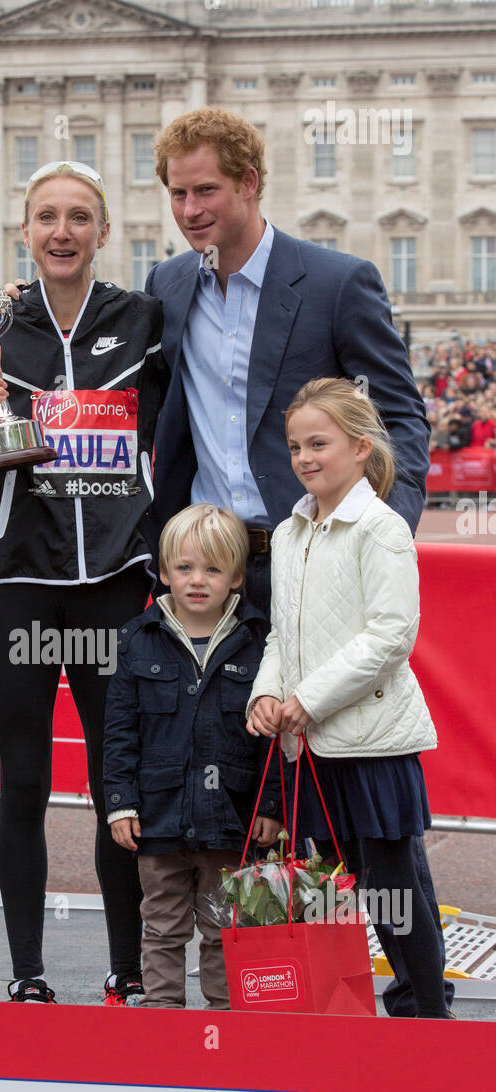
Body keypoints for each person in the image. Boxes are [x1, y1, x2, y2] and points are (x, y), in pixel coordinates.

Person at [145, 106, 450, 1018]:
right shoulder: (168, 286)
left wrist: (371, 530)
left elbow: (401, 416)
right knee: (259, 804)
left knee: (362, 805)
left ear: (249, 184)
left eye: (205, 190)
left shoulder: (334, 280)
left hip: (319, 557)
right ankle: (292, 1007)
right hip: (221, 570)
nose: (191, 208)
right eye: (176, 193)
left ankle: (420, 1004)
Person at [0, 159, 169, 1004]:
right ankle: (28, 972)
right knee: (25, 779)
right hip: (20, 583)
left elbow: (178, 434)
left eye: (79, 217)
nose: (62, 231)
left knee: (120, 785)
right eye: (46, 217)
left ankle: (128, 968)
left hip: (115, 580)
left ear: (103, 231)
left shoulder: (141, 319)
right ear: (26, 231)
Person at [247, 378, 449, 1019]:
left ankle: (426, 1013)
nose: (305, 457)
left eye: (319, 443)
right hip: (307, 741)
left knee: (394, 887)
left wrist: (308, 698)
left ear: (361, 448)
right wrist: (269, 692)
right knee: (330, 885)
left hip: (371, 741)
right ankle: (341, 1013)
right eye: (295, 445)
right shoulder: (287, 533)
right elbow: (283, 630)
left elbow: (391, 635)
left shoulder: (381, 529)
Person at [103, 504, 281, 1010]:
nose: (197, 580)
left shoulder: (258, 641)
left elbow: (272, 741)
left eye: (213, 568)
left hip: (231, 819)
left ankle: (224, 1023)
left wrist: (270, 808)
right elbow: (120, 731)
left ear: (238, 577)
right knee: (161, 927)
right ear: (163, 572)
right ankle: (162, 1023)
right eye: (184, 568)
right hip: (158, 819)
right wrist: (120, 803)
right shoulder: (138, 638)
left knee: (224, 929)